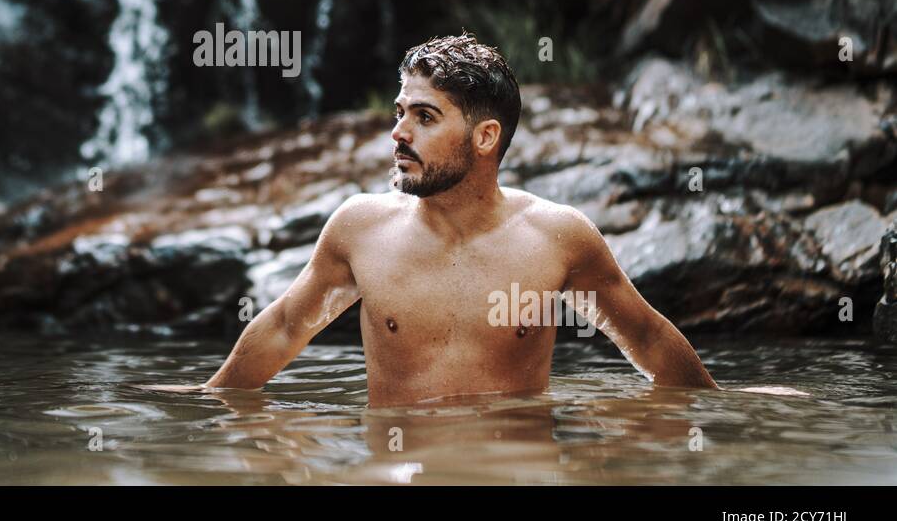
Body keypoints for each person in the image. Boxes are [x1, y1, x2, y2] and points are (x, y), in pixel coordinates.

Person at [153, 32, 724, 407]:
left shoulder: (558, 237)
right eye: (400, 113)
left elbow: (646, 338)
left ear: (485, 136)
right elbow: (281, 329)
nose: (397, 134)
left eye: (424, 117)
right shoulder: (360, 229)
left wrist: (726, 415)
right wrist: (206, 403)